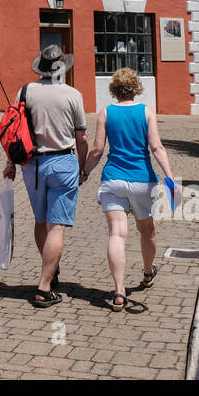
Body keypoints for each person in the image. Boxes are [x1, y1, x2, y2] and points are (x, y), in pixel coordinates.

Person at [82, 68, 177, 311]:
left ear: (114, 89)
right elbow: (156, 147)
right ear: (136, 88)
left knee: (117, 234)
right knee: (147, 231)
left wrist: (84, 172)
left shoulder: (106, 113)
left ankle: (119, 292)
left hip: (113, 179)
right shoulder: (146, 112)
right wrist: (169, 176)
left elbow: (96, 150)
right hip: (141, 180)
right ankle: (147, 273)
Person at [1, 44, 87, 308]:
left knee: (41, 220)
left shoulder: (26, 91)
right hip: (62, 161)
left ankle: (50, 268)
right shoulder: (73, 95)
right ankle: (44, 286)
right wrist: (82, 167)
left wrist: (10, 163)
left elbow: (15, 130)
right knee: (57, 225)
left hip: (33, 165)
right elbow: (81, 138)